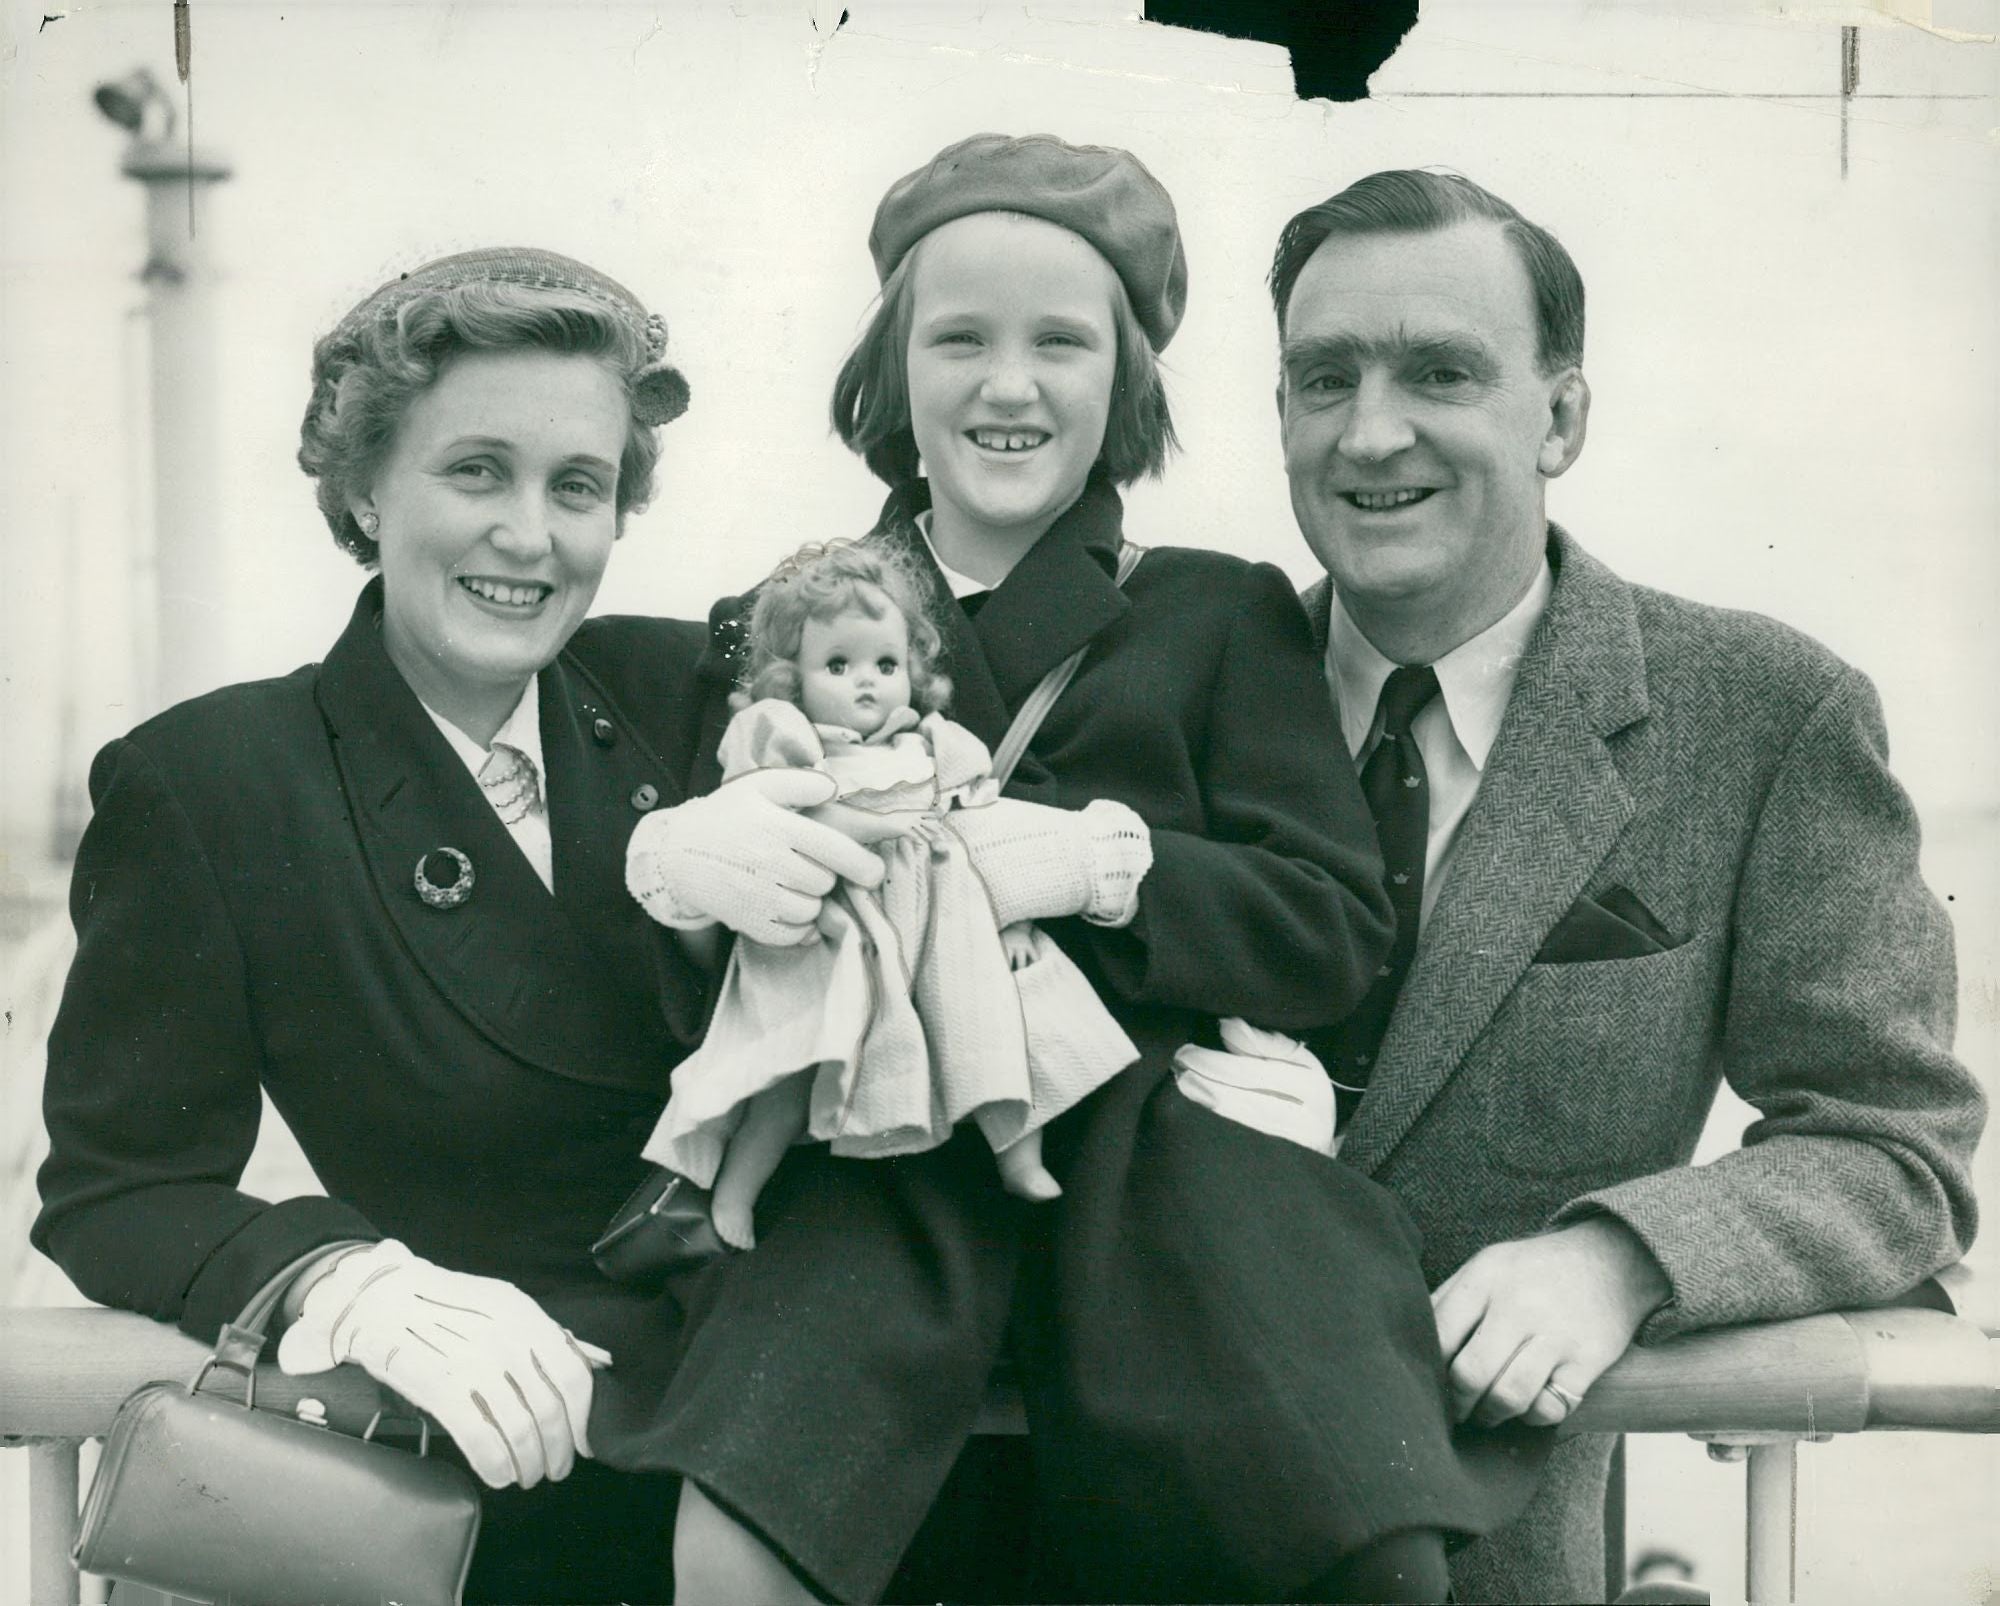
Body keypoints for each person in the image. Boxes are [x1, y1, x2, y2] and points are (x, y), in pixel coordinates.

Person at [608, 133, 1533, 1606]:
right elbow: (696, 1006)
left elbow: (1334, 925)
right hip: (873, 1142)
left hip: (1159, 1146)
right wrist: (697, 877)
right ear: (889, 375)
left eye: (1061, 340)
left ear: (1127, 386)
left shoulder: (1215, 610)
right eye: (958, 337)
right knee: (734, 1537)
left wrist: (1114, 869)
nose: (1008, 383)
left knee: (1365, 1540)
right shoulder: (760, 625)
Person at [31, 246, 888, 1604]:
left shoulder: (702, 695)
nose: (528, 535)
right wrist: (340, 1277)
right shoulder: (214, 783)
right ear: (365, 488)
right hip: (520, 1473)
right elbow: (117, 1184)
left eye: (577, 486)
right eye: (474, 470)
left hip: (834, 1447)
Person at [1266, 169, 1987, 1602]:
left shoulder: (1764, 714)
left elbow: (1893, 1148)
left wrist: (1619, 1259)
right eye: (1322, 376)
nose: (1371, 428)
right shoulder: (1166, 702)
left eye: (1441, 370)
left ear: (1563, 416)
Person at [632, 537, 1139, 1245]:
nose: (866, 682)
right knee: (783, 1072)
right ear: (794, 678)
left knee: (994, 1035)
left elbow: (983, 834)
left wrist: (1014, 921)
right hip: (831, 929)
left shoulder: (937, 747)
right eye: (838, 665)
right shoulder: (795, 744)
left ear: (914, 670)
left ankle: (1019, 1158)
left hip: (939, 923)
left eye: (886, 664)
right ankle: (735, 1197)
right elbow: (760, 826)